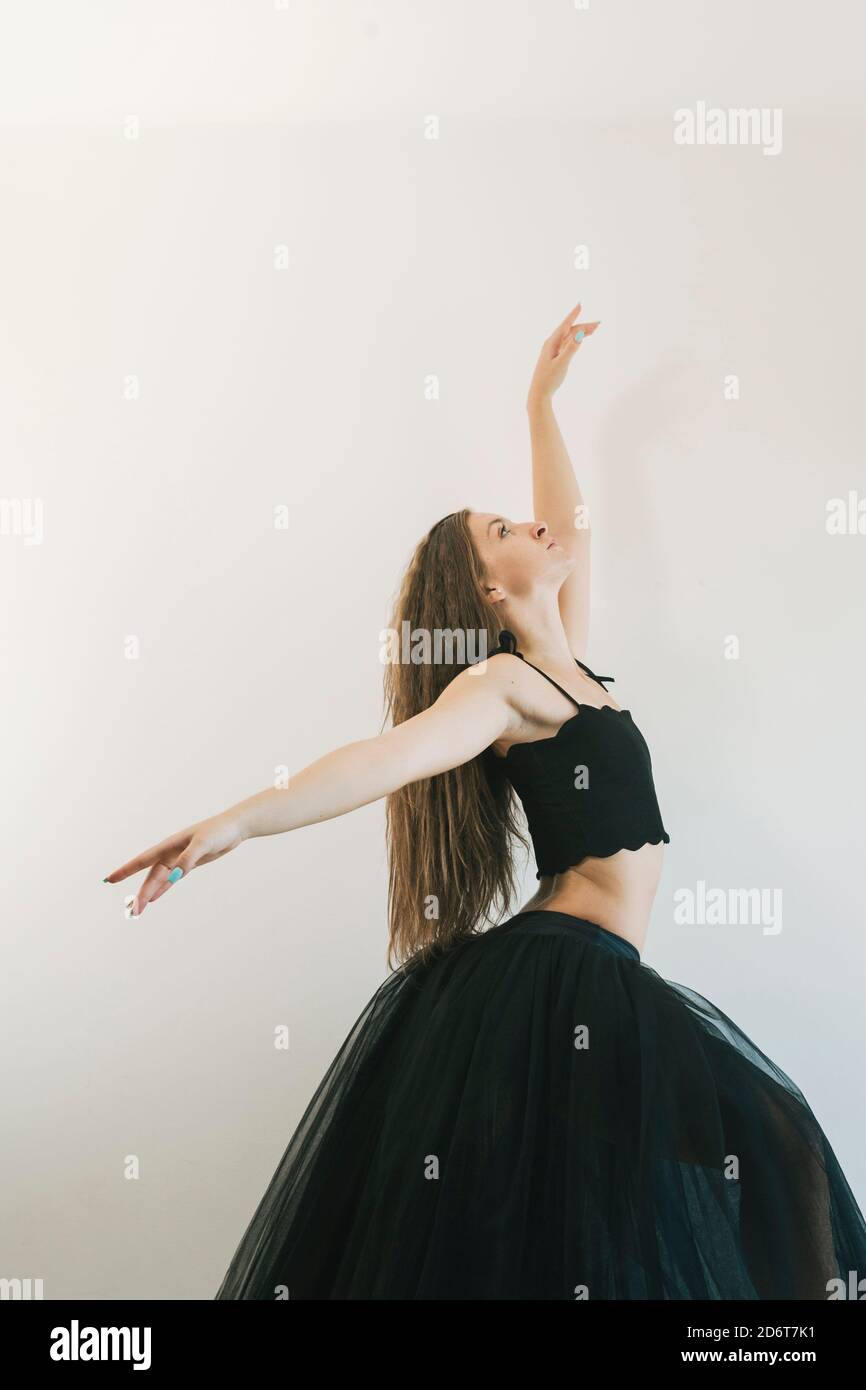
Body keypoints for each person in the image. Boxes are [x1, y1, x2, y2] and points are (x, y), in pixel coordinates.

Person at [105, 304, 866, 1300]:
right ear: (487, 590)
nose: (537, 527)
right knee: (685, 1178)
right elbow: (384, 759)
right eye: (503, 530)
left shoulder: (571, 669)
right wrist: (234, 822)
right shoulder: (500, 687)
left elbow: (570, 523)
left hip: (604, 979)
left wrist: (540, 401)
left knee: (738, 1163)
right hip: (561, 982)